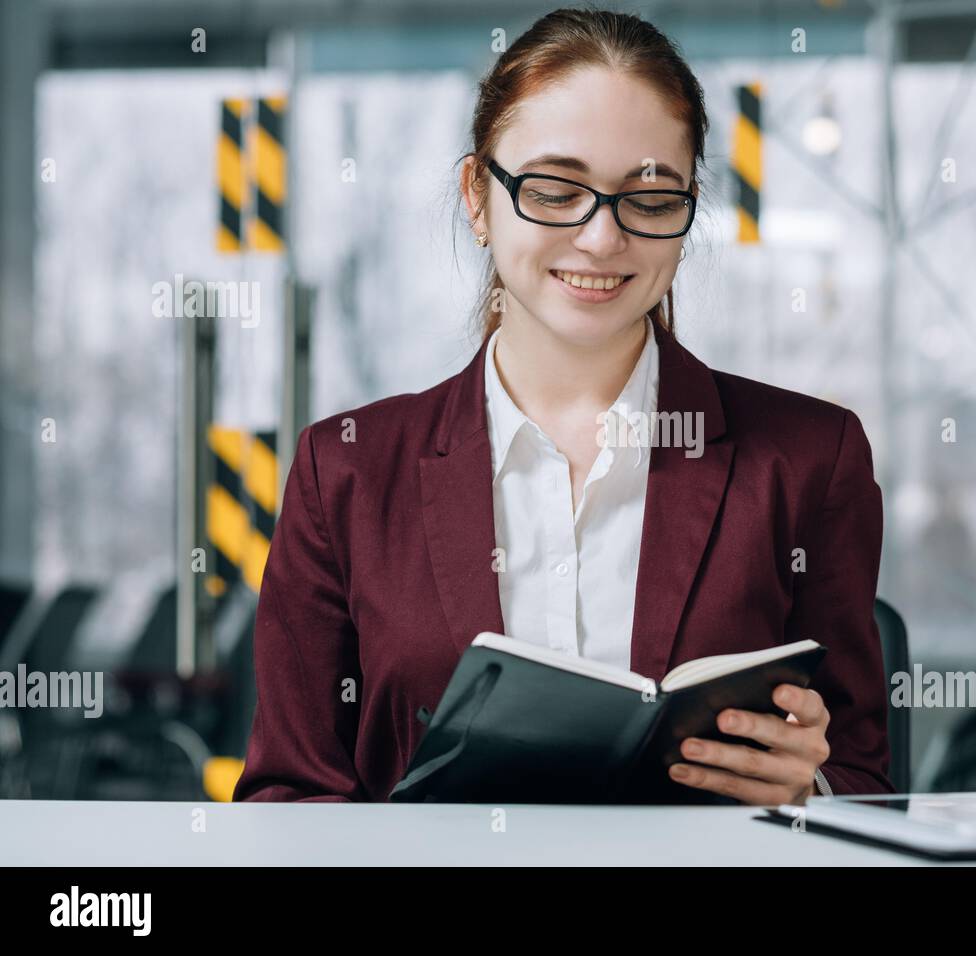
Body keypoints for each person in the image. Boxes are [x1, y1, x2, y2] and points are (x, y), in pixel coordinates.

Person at [233, 7, 891, 805]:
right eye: (553, 190)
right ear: (479, 197)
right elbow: (289, 798)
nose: (600, 238)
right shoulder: (344, 472)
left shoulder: (810, 460)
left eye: (648, 199)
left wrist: (810, 789)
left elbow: (864, 781)